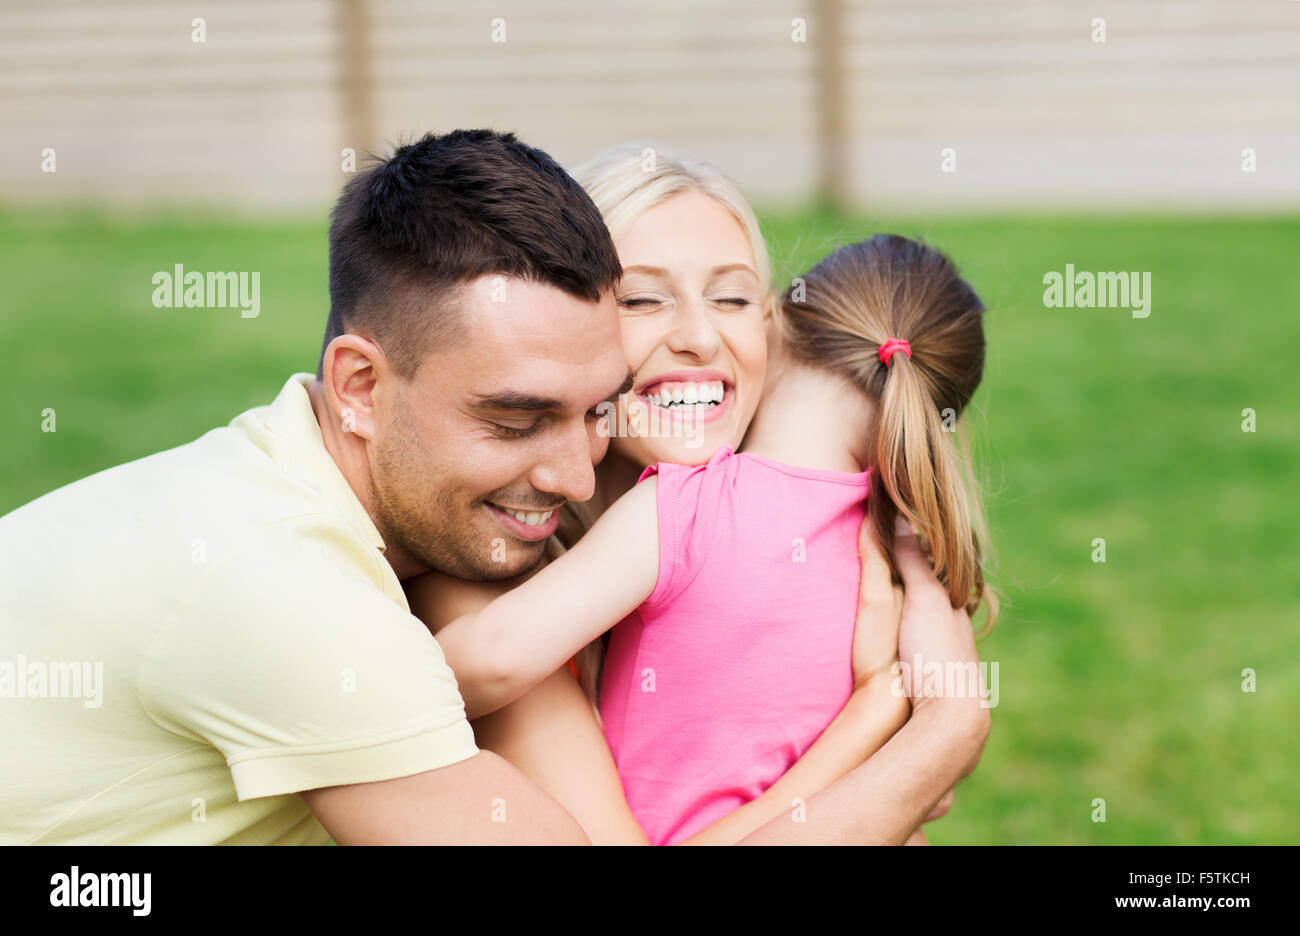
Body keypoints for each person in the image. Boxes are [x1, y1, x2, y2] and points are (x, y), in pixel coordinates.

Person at [408, 147, 994, 845]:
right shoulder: (486, 577)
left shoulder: (755, 538)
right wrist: (895, 727)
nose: (698, 337)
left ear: (775, 329)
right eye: (641, 299)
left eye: (732, 298)